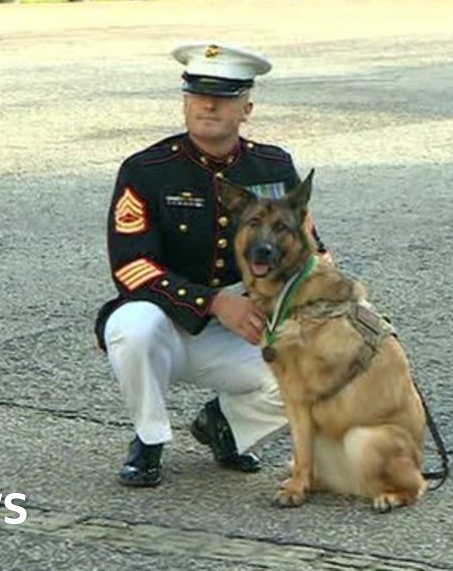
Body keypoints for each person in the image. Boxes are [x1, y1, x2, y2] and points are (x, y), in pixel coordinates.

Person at [94, 42, 328, 487]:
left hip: (248, 325)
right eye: (197, 94)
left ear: (247, 108)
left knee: (316, 370)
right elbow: (131, 268)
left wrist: (343, 308)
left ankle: (225, 426)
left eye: (224, 96)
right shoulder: (148, 169)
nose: (208, 104)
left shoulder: (272, 167)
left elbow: (308, 250)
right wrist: (214, 302)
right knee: (131, 326)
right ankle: (148, 440)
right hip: (167, 319)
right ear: (185, 101)